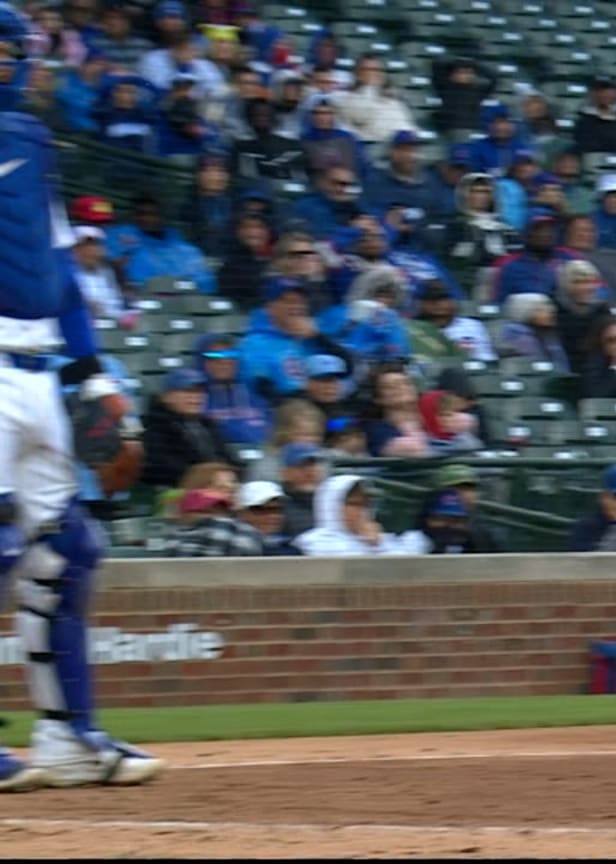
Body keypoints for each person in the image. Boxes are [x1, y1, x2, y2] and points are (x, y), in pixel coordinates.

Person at [0, 0, 163, 789]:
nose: (6, 60)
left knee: (70, 549)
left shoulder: (32, 137)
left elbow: (61, 267)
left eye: (10, 48)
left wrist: (92, 372)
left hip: (39, 372)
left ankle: (67, 735)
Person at [293, 474, 429, 556]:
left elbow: (405, 571)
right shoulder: (314, 541)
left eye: (365, 504)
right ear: (331, 505)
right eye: (354, 504)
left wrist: (377, 545)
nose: (362, 510)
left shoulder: (380, 539)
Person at [163, 488, 265, 557]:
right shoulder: (170, 541)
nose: (214, 517)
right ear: (185, 516)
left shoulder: (244, 533)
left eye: (221, 511)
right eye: (205, 512)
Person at [234, 480, 299, 556]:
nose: (273, 516)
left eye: (277, 509)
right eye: (261, 510)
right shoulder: (228, 546)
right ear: (241, 513)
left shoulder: (291, 550)